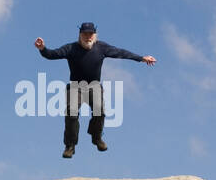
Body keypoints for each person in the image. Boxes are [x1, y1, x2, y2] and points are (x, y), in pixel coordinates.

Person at [34, 22, 156, 157]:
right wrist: (43, 48)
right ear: (80, 35)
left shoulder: (101, 47)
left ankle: (96, 137)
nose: (88, 37)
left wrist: (141, 58)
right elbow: (52, 54)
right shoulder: (71, 48)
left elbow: (121, 52)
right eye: (85, 34)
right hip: (76, 87)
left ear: (95, 35)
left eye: (90, 34)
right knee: (71, 112)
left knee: (100, 109)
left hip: (94, 86)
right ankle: (70, 145)